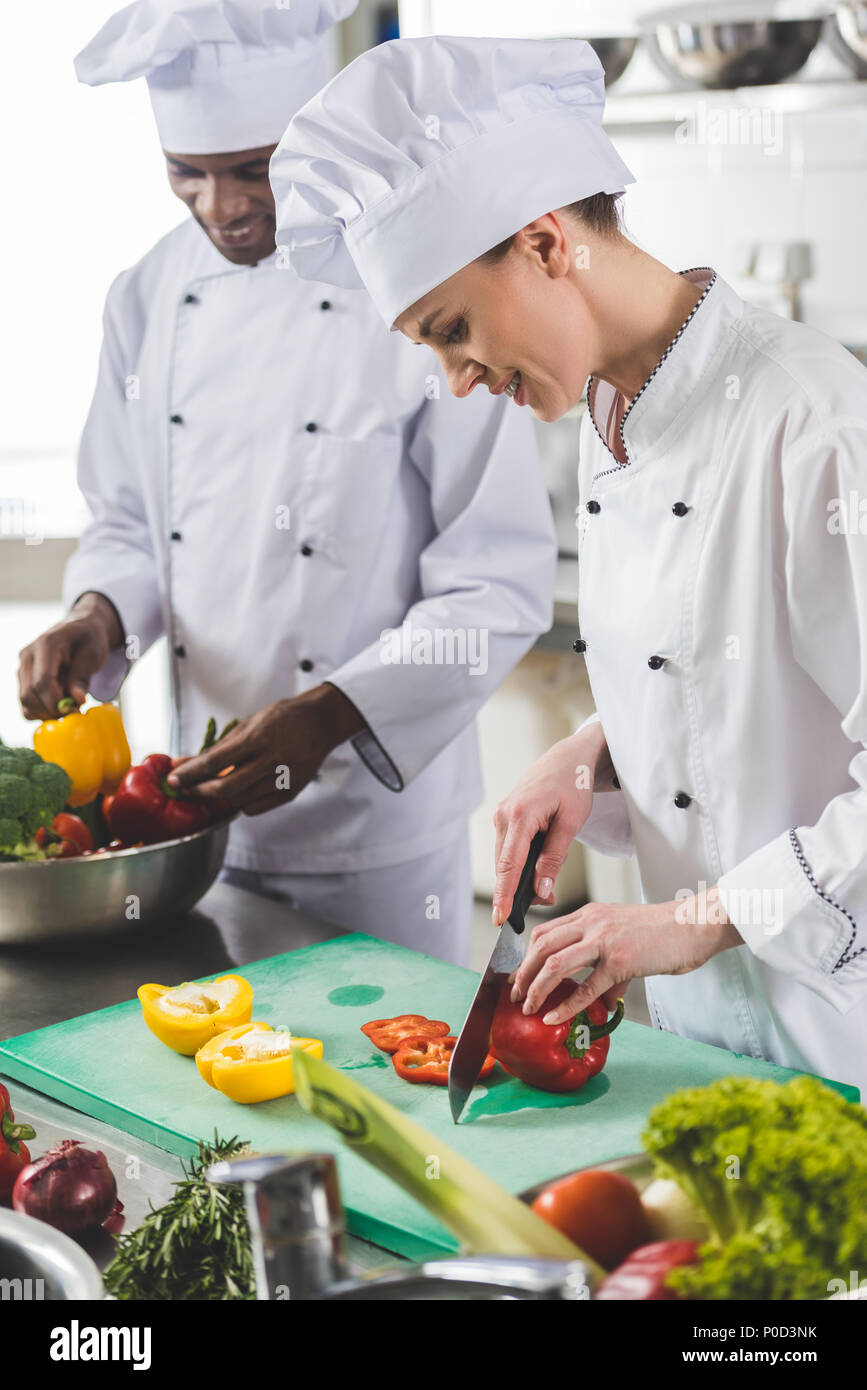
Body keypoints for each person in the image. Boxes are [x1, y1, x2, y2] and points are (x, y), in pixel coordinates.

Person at [269, 33, 867, 1090]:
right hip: (693, 1054)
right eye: (428, 347)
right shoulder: (609, 413)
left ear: (546, 245)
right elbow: (719, 678)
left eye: (452, 329)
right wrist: (591, 758)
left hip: (838, 1044)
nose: (456, 380)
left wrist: (692, 919)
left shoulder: (813, 422)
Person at [16, 6, 557, 966]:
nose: (220, 207)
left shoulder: (420, 288)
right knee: (228, 1067)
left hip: (373, 828)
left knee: (378, 1074)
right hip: (185, 812)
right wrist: (99, 616)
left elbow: (496, 580)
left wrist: (334, 712)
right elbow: (132, 520)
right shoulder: (144, 295)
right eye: (188, 172)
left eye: (252, 169)